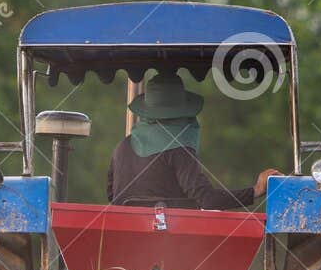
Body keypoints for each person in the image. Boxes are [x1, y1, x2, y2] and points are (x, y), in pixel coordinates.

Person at [105, 72, 283, 209]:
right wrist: (255, 190)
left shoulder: (122, 146)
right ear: (182, 114)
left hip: (124, 241)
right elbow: (207, 200)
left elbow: (112, 195)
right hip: (172, 243)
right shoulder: (179, 150)